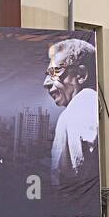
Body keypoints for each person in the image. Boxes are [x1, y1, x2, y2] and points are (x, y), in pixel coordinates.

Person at [43, 38, 100, 189]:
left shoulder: (83, 101)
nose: (46, 82)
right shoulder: (82, 104)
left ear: (81, 74)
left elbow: (79, 170)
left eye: (54, 72)